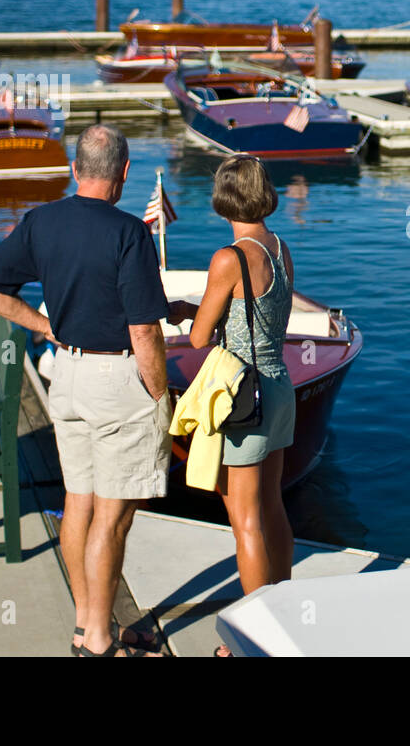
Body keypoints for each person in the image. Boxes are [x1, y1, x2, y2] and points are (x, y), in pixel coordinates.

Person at [0, 124, 171, 658]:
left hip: (68, 376)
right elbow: (145, 330)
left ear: (75, 170)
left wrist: (41, 324)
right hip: (118, 381)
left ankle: (88, 625)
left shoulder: (41, 221)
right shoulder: (130, 233)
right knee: (114, 515)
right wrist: (159, 392)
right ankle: (101, 638)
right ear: (124, 173)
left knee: (78, 503)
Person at [167, 154, 296, 658]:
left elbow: (201, 337)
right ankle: (282, 613)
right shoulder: (280, 248)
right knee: (272, 506)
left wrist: (191, 315)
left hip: (244, 398)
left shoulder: (229, 256)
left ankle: (253, 639)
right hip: (279, 386)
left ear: (223, 198)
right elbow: (258, 311)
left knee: (243, 519)